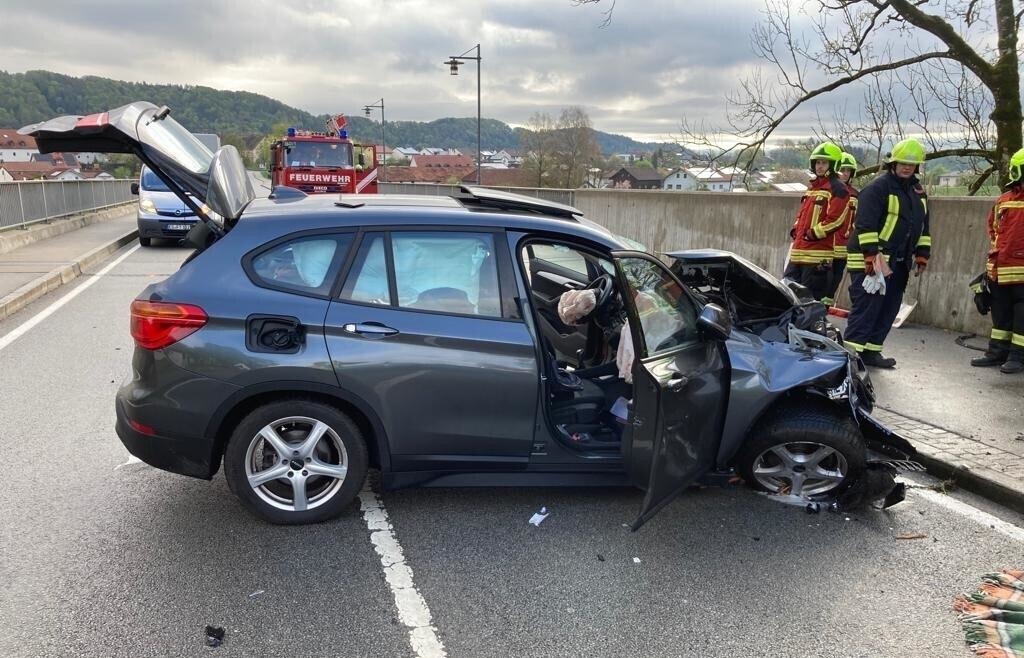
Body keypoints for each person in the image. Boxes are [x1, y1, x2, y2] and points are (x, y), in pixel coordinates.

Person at [844, 138, 931, 368]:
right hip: (871, 259)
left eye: (911, 164)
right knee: (867, 307)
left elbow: (923, 225)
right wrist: (871, 256)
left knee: (889, 307)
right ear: (893, 163)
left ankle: (871, 352)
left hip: (899, 261)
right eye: (903, 163)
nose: (907, 167)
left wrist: (922, 253)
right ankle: (849, 357)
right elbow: (865, 224)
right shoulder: (878, 188)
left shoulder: (918, 192)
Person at [970, 147, 1024, 374]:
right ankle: (997, 353)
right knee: (1000, 314)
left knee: (1022, 317)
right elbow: (994, 231)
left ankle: (1018, 356)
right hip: (1000, 269)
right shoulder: (1003, 200)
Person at [783, 142, 852, 300]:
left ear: (833, 165)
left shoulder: (838, 188)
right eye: (818, 162)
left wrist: (812, 234)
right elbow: (802, 215)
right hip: (798, 253)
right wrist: (795, 230)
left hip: (816, 257)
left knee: (809, 300)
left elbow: (835, 220)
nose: (820, 166)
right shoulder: (812, 188)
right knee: (787, 294)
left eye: (824, 163)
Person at [821, 151, 859, 306]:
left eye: (848, 170)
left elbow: (857, 219)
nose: (844, 173)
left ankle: (826, 306)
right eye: (842, 169)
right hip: (827, 241)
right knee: (823, 277)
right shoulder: (830, 190)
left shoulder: (856, 195)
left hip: (844, 243)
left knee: (836, 276)